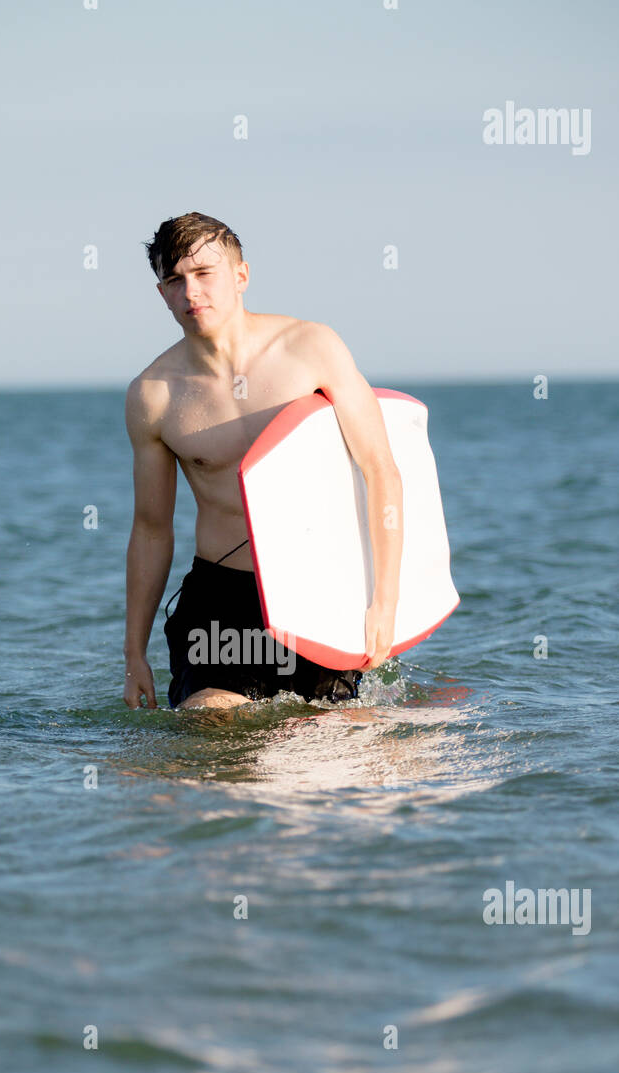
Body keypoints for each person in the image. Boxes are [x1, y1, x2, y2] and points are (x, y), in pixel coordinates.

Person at [122, 211, 403, 711]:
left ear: (241, 276)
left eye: (204, 273)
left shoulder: (310, 349)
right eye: (174, 280)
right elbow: (151, 528)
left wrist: (385, 601)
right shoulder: (154, 396)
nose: (191, 292)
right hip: (220, 594)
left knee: (326, 739)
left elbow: (379, 468)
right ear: (161, 292)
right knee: (209, 717)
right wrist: (134, 653)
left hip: (312, 583)